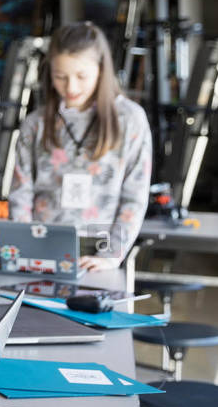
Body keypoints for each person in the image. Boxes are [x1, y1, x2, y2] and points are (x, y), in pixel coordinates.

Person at [8, 22, 152, 270]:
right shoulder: (36, 123)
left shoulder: (129, 119)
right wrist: (26, 249)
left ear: (101, 69)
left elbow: (134, 196)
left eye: (81, 76)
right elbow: (21, 193)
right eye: (60, 77)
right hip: (42, 248)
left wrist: (110, 255)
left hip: (98, 253)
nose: (71, 87)